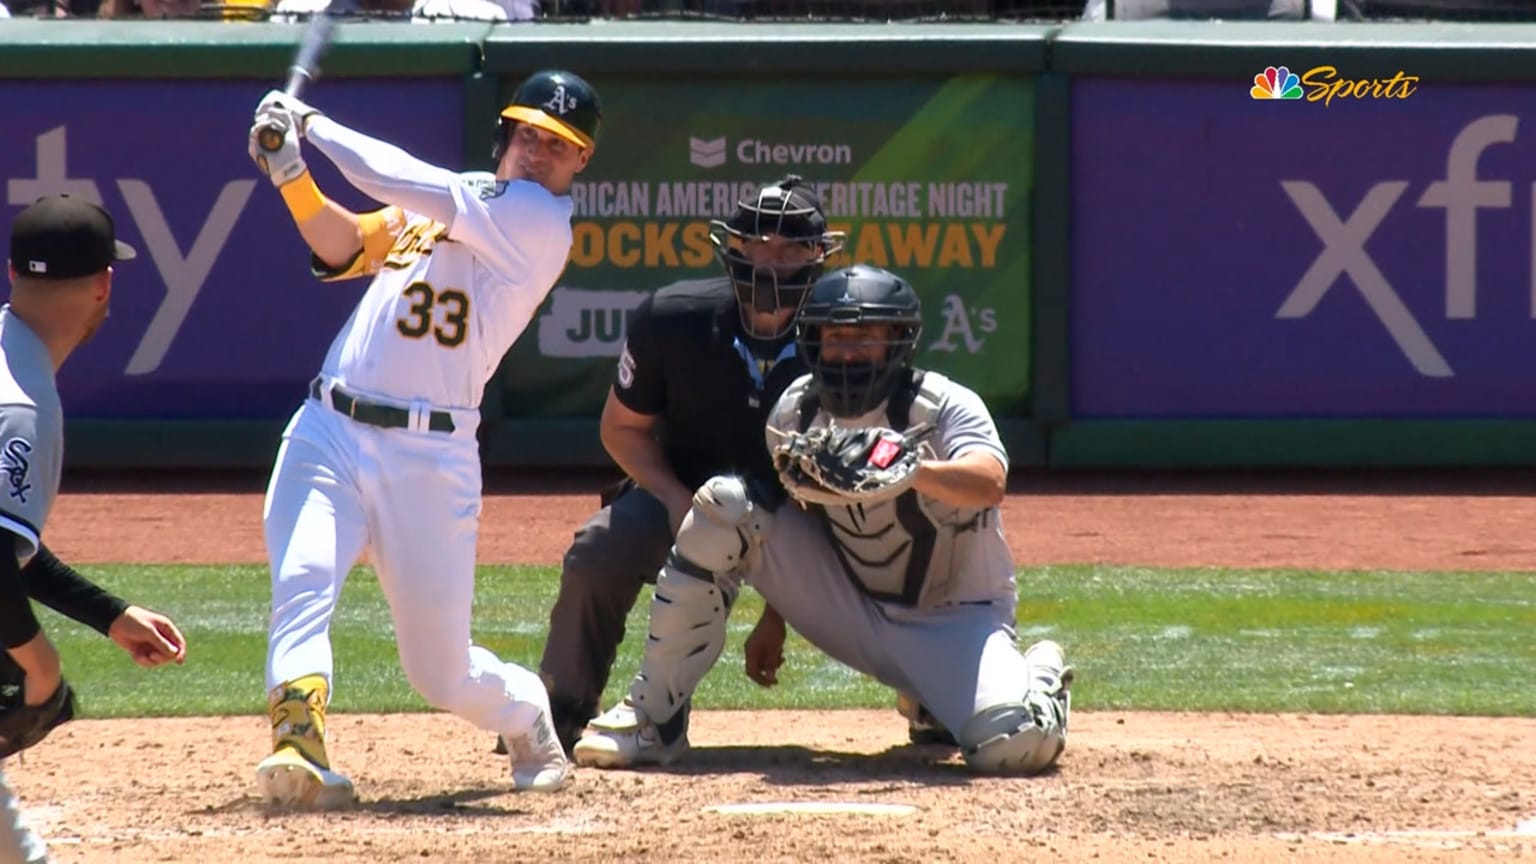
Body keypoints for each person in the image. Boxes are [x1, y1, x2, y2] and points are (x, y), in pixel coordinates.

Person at [244, 68, 600, 808]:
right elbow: (344, 242)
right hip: (329, 426)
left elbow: (395, 175)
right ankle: (298, 737)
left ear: (580, 160)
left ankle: (523, 710)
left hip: (429, 456)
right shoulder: (453, 199)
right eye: (529, 134)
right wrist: (290, 175)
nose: (538, 152)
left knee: (440, 673)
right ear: (507, 133)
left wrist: (310, 124)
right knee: (303, 580)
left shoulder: (538, 221)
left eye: (558, 144)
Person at [572, 264, 1073, 776]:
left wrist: (913, 471)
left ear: (899, 339)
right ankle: (653, 717)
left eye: (865, 336)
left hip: (956, 618)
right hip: (850, 606)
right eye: (835, 336)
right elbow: (794, 518)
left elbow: (989, 481)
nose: (848, 351)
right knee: (725, 503)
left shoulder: (943, 405)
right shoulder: (793, 415)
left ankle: (1031, 678)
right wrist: (774, 619)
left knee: (1011, 743)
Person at [526, 176, 845, 755]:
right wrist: (675, 497)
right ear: (733, 247)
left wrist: (778, 614)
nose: (770, 260)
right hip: (683, 493)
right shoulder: (674, 318)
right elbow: (620, 428)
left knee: (892, 550)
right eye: (758, 243)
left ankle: (935, 704)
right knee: (599, 548)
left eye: (790, 248)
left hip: (800, 517)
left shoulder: (847, 334)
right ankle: (562, 710)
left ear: (818, 256)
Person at [2, 195, 189, 863]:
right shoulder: (22, 405)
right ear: (104, 286)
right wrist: (42, 665)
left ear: (12, 272)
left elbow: (9, 551)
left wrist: (107, 613)